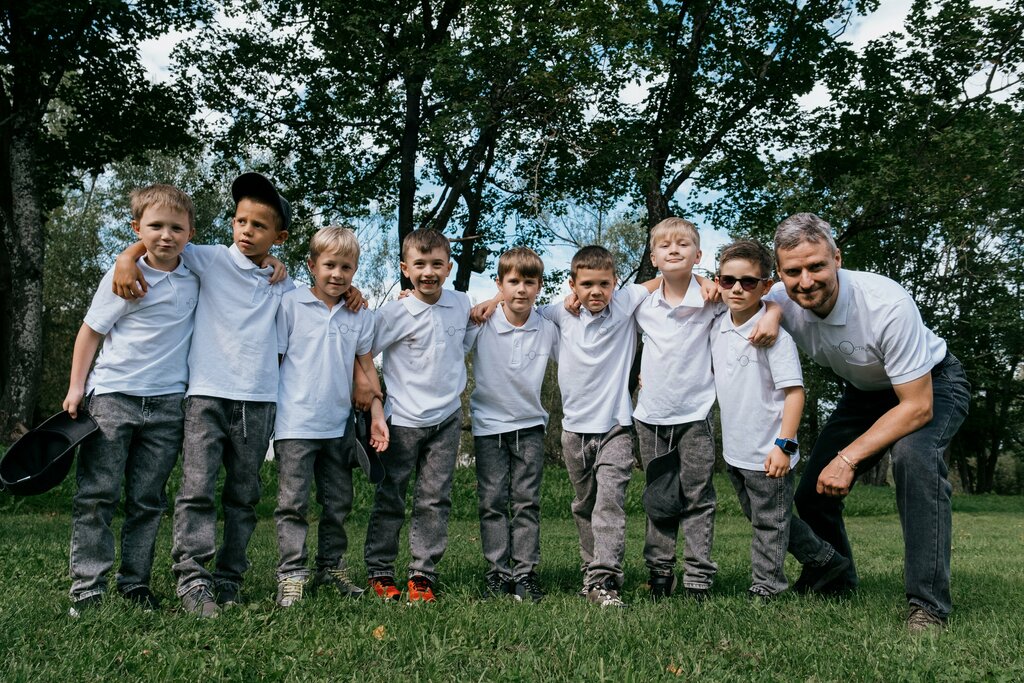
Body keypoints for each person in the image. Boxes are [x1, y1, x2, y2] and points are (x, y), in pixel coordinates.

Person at [764, 212, 970, 632]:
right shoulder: (778, 297)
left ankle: (927, 605)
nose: (806, 281)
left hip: (931, 385)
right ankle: (836, 577)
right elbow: (717, 291)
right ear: (780, 273)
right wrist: (766, 307)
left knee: (914, 460)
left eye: (817, 266)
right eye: (793, 271)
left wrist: (850, 458)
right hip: (863, 391)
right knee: (812, 491)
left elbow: (917, 407)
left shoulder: (885, 303)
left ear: (837, 258)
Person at [112, 172, 296, 617]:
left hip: (257, 402)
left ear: (279, 237)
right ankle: (192, 579)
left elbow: (292, 336)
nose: (246, 231)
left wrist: (351, 295)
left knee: (244, 493)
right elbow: (161, 242)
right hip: (205, 397)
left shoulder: (282, 284)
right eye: (240, 221)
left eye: (258, 226)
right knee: (196, 489)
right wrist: (127, 256)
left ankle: (230, 578)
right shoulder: (210, 259)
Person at [63, 184, 199, 616]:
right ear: (137, 229)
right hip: (113, 398)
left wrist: (271, 262)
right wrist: (75, 387)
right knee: (97, 494)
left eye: (176, 227)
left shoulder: (196, 274)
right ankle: (88, 587)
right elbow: (91, 331)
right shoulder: (124, 274)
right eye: (155, 227)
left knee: (147, 500)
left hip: (166, 405)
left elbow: (241, 260)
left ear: (190, 232)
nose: (165, 235)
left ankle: (134, 584)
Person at [272, 226, 388, 607]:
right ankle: (291, 573)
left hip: (339, 425)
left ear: (355, 271)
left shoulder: (358, 316)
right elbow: (275, 361)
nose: (337, 274)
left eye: (346, 267)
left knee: (338, 502)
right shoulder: (290, 306)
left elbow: (366, 368)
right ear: (312, 265)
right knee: (293, 503)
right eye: (329, 265)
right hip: (295, 424)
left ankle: (331, 566)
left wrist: (376, 413)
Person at [536, 245, 654, 607]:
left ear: (616, 282)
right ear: (573, 285)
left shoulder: (625, 303)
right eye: (586, 284)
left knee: (609, 503)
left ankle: (605, 578)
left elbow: (663, 279)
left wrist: (703, 281)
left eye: (604, 283)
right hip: (573, 430)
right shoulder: (559, 312)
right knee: (585, 504)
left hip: (615, 426)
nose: (596, 292)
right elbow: (518, 308)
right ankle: (592, 575)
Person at [363, 229, 472, 603]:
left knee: (433, 498)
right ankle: (380, 571)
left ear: (449, 267)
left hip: (447, 418)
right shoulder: (395, 312)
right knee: (391, 496)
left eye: (436, 264)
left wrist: (492, 304)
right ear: (404, 268)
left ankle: (423, 574)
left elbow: (469, 333)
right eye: (420, 264)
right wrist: (374, 400)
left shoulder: (460, 303)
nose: (428, 272)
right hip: (403, 421)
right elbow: (363, 352)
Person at [632, 218, 730, 601]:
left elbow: (759, 305)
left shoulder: (711, 300)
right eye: (665, 246)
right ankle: (659, 572)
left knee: (698, 495)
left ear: (698, 255)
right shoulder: (641, 301)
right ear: (654, 257)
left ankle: (698, 577)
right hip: (652, 416)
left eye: (683, 244)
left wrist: (710, 282)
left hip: (696, 413)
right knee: (660, 496)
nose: (674, 250)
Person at [710, 239, 804, 601]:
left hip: (770, 451)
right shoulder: (717, 327)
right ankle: (828, 561)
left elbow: (795, 394)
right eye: (728, 280)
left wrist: (785, 445)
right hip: (736, 451)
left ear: (766, 286)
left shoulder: (773, 336)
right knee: (773, 520)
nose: (737, 288)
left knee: (770, 523)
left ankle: (767, 586)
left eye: (748, 282)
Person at [465, 247, 559, 602]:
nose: (521, 289)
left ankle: (525, 574)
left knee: (526, 503)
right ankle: (497, 573)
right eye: (513, 281)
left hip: (531, 427)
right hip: (489, 426)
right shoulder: (481, 322)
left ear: (538, 287)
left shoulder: (547, 328)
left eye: (529, 282)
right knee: (492, 502)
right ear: (500, 284)